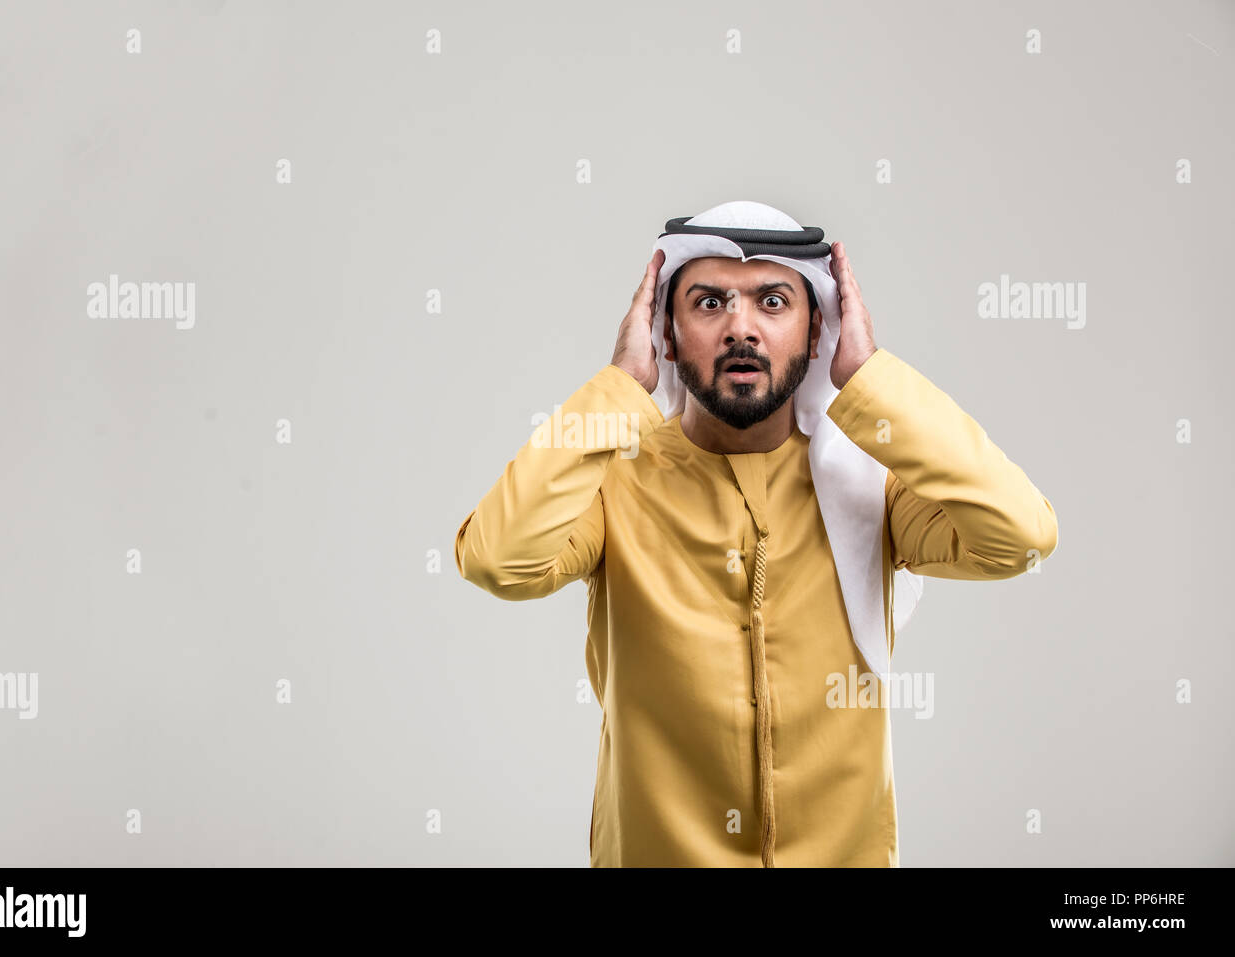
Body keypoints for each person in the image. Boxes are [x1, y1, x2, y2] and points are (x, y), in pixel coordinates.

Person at [454, 210, 1059, 867]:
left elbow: (1019, 535)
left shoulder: (867, 483)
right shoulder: (614, 477)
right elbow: (496, 558)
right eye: (708, 302)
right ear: (670, 334)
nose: (741, 326)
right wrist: (619, 389)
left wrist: (870, 378)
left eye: (774, 301)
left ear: (817, 326)